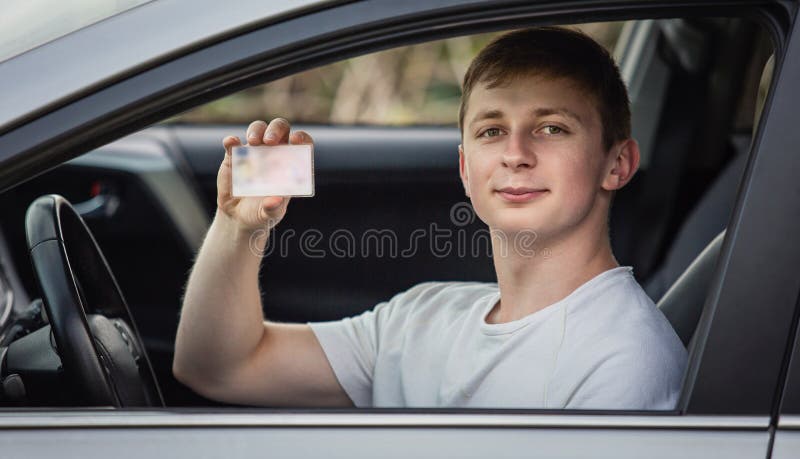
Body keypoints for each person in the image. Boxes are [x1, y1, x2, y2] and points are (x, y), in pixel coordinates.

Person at [172, 27, 687, 409]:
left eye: (551, 128)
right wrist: (241, 228)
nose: (515, 153)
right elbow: (217, 367)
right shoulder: (421, 317)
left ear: (616, 164)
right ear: (465, 169)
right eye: (490, 131)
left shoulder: (625, 362)